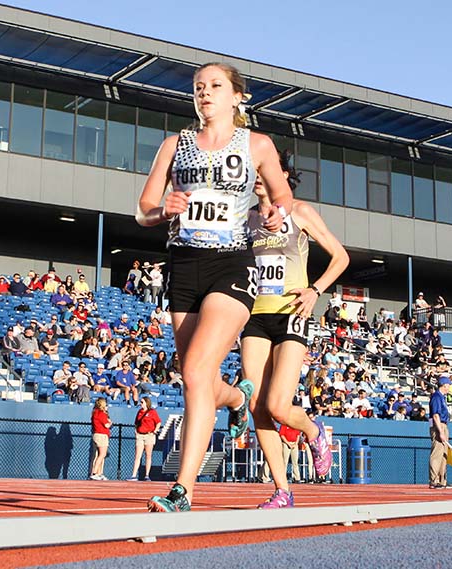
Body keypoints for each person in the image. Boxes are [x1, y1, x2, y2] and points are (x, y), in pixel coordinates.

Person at [136, 62, 292, 512]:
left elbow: (281, 197)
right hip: (184, 265)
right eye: (198, 87)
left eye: (215, 86)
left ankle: (182, 490)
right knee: (197, 381)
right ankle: (238, 396)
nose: (205, 94)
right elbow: (142, 210)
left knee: (194, 372)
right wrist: (163, 208)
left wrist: (276, 214)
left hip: (232, 265)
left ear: (237, 96)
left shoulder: (258, 144)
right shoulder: (174, 145)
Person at [241, 149, 347, 508]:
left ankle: (313, 432)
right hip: (255, 315)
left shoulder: (300, 212)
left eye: (265, 170)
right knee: (256, 404)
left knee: (278, 406)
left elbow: (341, 256)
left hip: (292, 312)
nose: (258, 176)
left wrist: (316, 290)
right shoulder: (247, 218)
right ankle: (282, 490)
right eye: (254, 171)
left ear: (283, 176)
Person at [129, 397, 162, 481]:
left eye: (142, 402)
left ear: (147, 403)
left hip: (149, 435)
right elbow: (136, 423)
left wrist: (155, 431)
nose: (141, 403)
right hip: (140, 435)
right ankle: (133, 475)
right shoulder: (139, 412)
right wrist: (136, 432)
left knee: (148, 455)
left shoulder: (152, 412)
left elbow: (158, 422)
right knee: (137, 455)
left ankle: (147, 475)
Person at [428, 376, 452, 490]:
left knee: (444, 454)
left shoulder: (442, 397)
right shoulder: (437, 397)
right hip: (439, 426)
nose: (449, 388)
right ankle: (434, 480)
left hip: (443, 425)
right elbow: (435, 415)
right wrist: (440, 431)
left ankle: (442, 480)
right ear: (444, 385)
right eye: (448, 385)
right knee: (437, 454)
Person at [89, 397, 111, 481]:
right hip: (101, 435)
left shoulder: (95, 413)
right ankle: (94, 472)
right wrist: (110, 422)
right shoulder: (101, 413)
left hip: (96, 435)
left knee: (99, 455)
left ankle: (99, 473)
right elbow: (106, 425)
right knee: (102, 454)